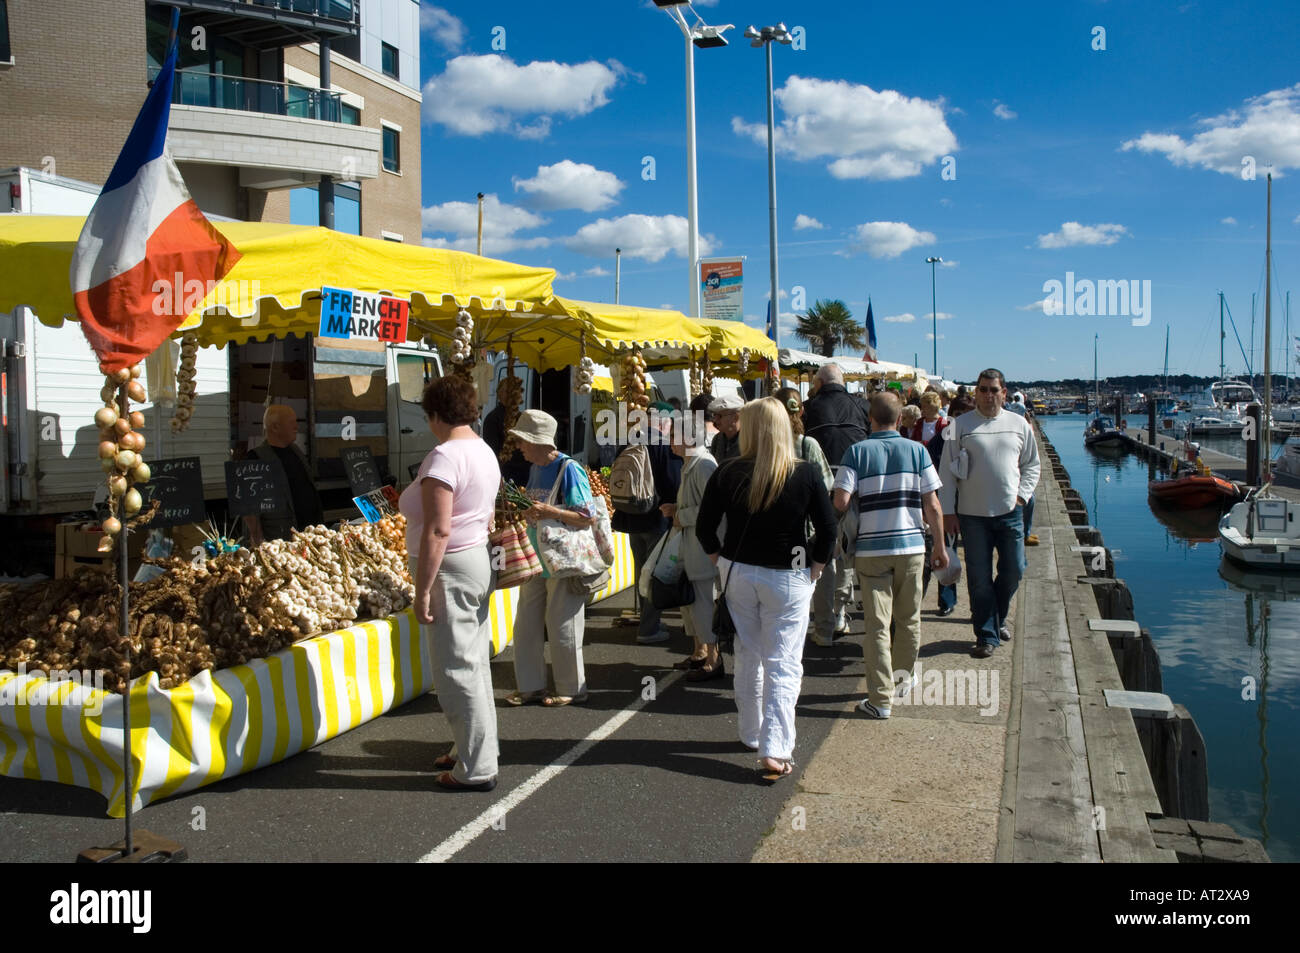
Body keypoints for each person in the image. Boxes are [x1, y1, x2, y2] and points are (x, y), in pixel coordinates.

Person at [696, 398, 837, 781]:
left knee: (749, 652)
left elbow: (704, 528)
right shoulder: (805, 473)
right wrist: (815, 571)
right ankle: (775, 747)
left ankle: (750, 733)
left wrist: (721, 561)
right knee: (783, 662)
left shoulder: (726, 471)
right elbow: (828, 530)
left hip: (739, 571)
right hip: (789, 573)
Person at [399, 376, 501, 791]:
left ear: (436, 415)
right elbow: (487, 512)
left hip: (451, 568)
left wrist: (422, 589)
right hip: (474, 560)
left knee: (456, 670)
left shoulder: (444, 457)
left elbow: (438, 532)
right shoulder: (483, 450)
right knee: (473, 663)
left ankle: (477, 768)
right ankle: (473, 750)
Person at [833, 392, 948, 719]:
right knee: (909, 619)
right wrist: (939, 547)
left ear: (870, 419)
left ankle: (880, 700)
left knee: (877, 625)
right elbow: (934, 505)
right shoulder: (918, 451)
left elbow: (841, 501)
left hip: (871, 550)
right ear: (901, 420)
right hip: (912, 547)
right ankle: (903, 679)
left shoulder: (856, 452)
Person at [937, 369, 1041, 659]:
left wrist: (1022, 495)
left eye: (994, 390)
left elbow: (1032, 464)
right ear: (975, 393)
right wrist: (947, 512)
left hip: (1009, 512)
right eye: (983, 389)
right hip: (971, 516)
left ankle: (996, 617)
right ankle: (986, 635)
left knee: (1015, 569)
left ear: (1004, 393)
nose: (988, 395)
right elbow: (946, 472)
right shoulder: (959, 426)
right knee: (979, 578)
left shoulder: (1018, 424)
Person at [508, 409, 598, 706]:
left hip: (562, 560)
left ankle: (572, 688)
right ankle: (530, 686)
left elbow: (587, 516)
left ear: (539, 441)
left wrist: (549, 512)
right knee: (525, 625)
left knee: (563, 625)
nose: (519, 447)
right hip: (535, 558)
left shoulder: (568, 468)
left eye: (522, 441)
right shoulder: (536, 467)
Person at [802, 363, 872, 647]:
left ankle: (824, 627)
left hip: (821, 489)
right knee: (845, 554)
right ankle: (840, 613)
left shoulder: (808, 407)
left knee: (826, 554)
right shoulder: (862, 406)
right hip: (856, 488)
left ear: (818, 383)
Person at [611, 401, 682, 645]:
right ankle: (649, 629)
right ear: (664, 421)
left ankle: (647, 620)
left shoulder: (628, 440)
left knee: (641, 570)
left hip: (630, 515)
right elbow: (674, 483)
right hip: (657, 518)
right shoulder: (665, 444)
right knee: (655, 573)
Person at [666, 415, 722, 679]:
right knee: (691, 602)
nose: (669, 441)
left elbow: (714, 510)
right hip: (692, 545)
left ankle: (714, 659)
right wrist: (677, 510)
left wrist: (680, 515)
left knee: (702, 602)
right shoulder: (690, 463)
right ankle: (700, 652)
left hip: (703, 547)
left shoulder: (703, 465)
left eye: (673, 435)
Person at [244, 404, 325, 546]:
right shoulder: (256, 458)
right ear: (275, 427)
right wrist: (256, 537)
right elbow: (249, 505)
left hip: (307, 534)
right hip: (280, 537)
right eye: (291, 423)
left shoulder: (295, 450)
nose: (296, 427)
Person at [910, 391, 956, 617]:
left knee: (945, 544)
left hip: (941, 484)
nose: (923, 409)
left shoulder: (948, 424)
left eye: (926, 405)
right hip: (921, 483)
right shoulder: (915, 425)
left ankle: (946, 598)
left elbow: (953, 451)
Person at [481, 396, 531, 486]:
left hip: (510, 472)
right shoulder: (494, 418)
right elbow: (493, 451)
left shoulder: (493, 417)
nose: (521, 397)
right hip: (508, 473)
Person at [709, 394, 743, 461]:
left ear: (736, 417)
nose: (715, 420)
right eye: (714, 415)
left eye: (720, 416)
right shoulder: (717, 439)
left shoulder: (749, 440)